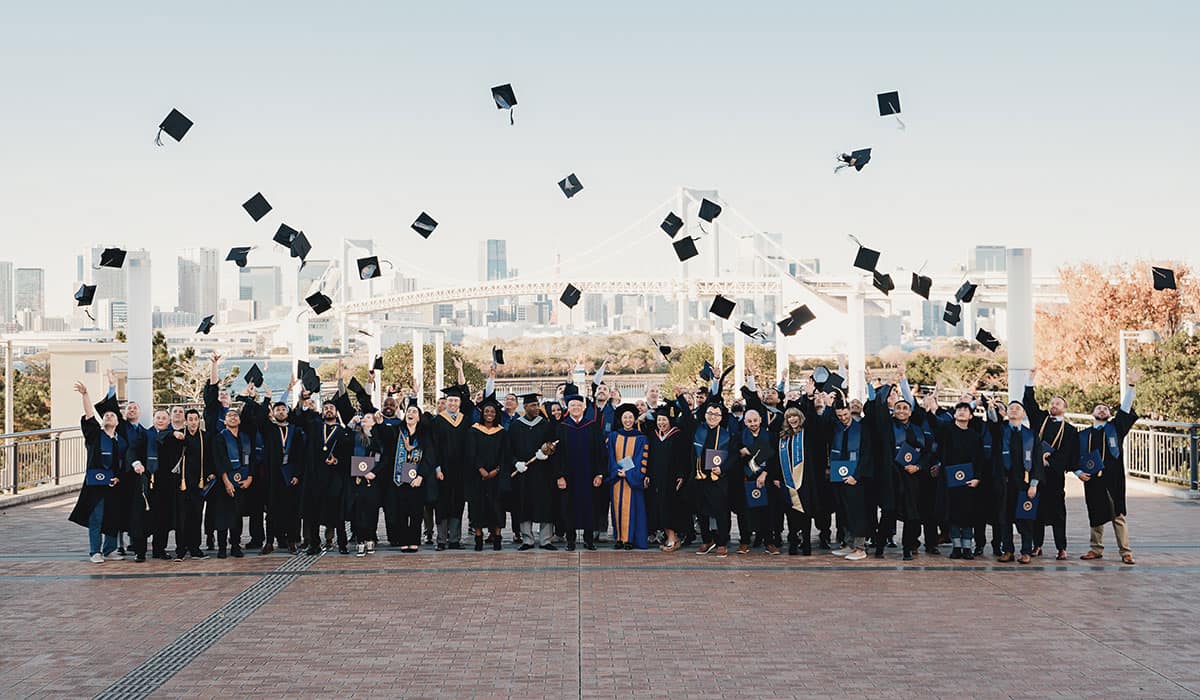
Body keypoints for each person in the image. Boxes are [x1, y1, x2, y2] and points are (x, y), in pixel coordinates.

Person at [1078, 370, 1140, 565]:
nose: (1102, 410)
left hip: (1113, 478)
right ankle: (1095, 549)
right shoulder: (1083, 435)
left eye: (1105, 408)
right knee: (1095, 513)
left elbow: (1125, 408)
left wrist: (1131, 386)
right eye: (1099, 408)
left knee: (1118, 514)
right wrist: (1079, 472)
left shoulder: (1116, 428)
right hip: (1092, 478)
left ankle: (1126, 552)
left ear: (1110, 414)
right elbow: (1074, 457)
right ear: (1092, 414)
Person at [677, 391, 741, 559]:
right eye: (709, 413)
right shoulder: (697, 429)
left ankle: (721, 543)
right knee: (701, 511)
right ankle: (707, 540)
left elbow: (734, 456)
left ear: (721, 417)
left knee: (721, 511)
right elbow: (687, 415)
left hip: (718, 479)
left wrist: (723, 469)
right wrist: (680, 398)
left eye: (716, 414)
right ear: (704, 414)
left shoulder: (727, 436)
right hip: (698, 478)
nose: (712, 417)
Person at [1023, 369, 1078, 560]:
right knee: (1036, 509)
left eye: (1058, 403)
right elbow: (1029, 404)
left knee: (1057, 512)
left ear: (1064, 408)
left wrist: (1050, 460)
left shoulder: (1070, 430)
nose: (1054, 405)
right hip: (1036, 473)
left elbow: (1068, 452)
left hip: (1054, 475)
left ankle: (1061, 547)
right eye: (1052, 403)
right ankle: (1036, 545)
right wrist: (1030, 380)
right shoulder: (1041, 420)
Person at [68, 382, 126, 563]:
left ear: (117, 422)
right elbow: (89, 415)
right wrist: (86, 396)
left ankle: (110, 549)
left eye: (112, 415)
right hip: (96, 485)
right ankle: (95, 551)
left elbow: (123, 463)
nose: (109, 416)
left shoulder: (121, 441)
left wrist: (119, 477)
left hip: (115, 485)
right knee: (96, 517)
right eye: (106, 415)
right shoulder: (95, 436)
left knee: (114, 516)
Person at [375, 398, 437, 552]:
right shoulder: (397, 432)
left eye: (414, 412)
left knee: (416, 512)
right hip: (399, 479)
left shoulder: (424, 435)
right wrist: (380, 423)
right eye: (408, 411)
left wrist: (421, 476)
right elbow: (383, 435)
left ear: (419, 417)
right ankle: (403, 540)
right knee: (401, 512)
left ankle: (414, 540)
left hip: (417, 480)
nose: (411, 414)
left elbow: (429, 457)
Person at [987, 401, 1044, 563]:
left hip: (1024, 482)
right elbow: (992, 422)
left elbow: (1037, 461)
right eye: (1010, 407)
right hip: (1004, 481)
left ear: (1024, 414)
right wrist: (991, 408)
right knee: (1004, 517)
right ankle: (1008, 550)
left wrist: (1034, 484)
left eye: (1017, 408)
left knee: (1025, 517)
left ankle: (1026, 551)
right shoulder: (1001, 431)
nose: (1013, 409)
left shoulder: (1031, 435)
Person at [127, 408, 186, 560]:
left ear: (169, 421)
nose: (160, 420)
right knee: (142, 518)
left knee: (163, 518)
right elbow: (131, 451)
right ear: (153, 420)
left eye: (164, 418)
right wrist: (136, 463)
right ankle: (140, 551)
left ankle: (159, 549)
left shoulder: (174, 438)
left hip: (166, 484)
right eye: (158, 417)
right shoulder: (145, 435)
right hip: (146, 482)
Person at [552, 390, 606, 551]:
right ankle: (571, 540)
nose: (575, 408)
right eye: (572, 405)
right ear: (568, 408)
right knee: (569, 507)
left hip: (589, 475)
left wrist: (600, 473)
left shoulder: (593, 426)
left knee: (589, 505)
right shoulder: (562, 427)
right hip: (569, 476)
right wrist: (559, 476)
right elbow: (557, 455)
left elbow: (601, 452)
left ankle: (589, 540)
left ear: (583, 408)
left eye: (578, 405)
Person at [934, 402, 988, 560]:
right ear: (955, 414)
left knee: (968, 515)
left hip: (969, 482)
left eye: (966, 410)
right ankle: (956, 547)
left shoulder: (975, 436)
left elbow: (980, 460)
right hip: (949, 480)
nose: (962, 412)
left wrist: (977, 477)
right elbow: (936, 424)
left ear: (971, 416)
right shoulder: (946, 431)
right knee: (953, 515)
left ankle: (967, 547)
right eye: (959, 410)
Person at [819, 398, 872, 560]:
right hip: (838, 475)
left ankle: (860, 548)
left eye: (845, 414)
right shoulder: (836, 429)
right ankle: (848, 544)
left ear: (850, 411)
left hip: (855, 478)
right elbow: (823, 425)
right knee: (843, 512)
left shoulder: (862, 429)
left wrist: (856, 476)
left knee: (857, 513)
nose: (843, 417)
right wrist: (828, 405)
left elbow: (866, 455)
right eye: (839, 415)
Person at [504, 394, 558, 550]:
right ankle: (527, 539)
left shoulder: (545, 425)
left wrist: (547, 454)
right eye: (532, 405)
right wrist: (516, 463)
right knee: (523, 504)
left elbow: (553, 445)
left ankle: (545, 539)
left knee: (545, 504)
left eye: (537, 404)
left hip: (542, 473)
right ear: (525, 407)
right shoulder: (515, 426)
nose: (536, 408)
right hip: (523, 473)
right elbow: (508, 450)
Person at [431, 358, 474, 550]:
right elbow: (433, 446)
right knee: (442, 505)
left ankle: (455, 539)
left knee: (457, 504)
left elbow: (465, 391)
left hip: (461, 470)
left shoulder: (465, 420)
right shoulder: (438, 421)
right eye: (450, 400)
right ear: (445, 403)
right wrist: (437, 468)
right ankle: (441, 540)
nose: (454, 403)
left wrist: (460, 370)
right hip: (443, 470)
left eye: (456, 400)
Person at [207, 407, 262, 558]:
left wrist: (250, 477)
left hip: (242, 482)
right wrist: (226, 482)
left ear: (239, 420)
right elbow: (219, 460)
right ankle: (222, 547)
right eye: (229, 416)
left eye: (235, 416)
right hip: (225, 484)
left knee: (237, 516)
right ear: (224, 421)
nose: (232, 418)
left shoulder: (245, 437)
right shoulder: (220, 438)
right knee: (223, 516)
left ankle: (236, 546)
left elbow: (250, 460)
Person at [261, 383, 306, 554]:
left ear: (287, 413)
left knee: (292, 510)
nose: (280, 412)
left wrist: (297, 474)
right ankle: (270, 541)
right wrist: (267, 398)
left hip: (290, 476)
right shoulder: (269, 429)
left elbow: (300, 455)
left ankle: (292, 540)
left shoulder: (294, 430)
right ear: (273, 413)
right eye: (277, 410)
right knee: (272, 510)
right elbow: (259, 418)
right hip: (273, 475)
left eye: (283, 409)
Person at [770, 407, 822, 555]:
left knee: (805, 512)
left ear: (800, 418)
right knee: (790, 513)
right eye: (789, 417)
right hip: (787, 481)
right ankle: (793, 542)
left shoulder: (808, 434)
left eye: (795, 416)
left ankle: (806, 543)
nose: (792, 419)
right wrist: (776, 477)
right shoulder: (782, 437)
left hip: (804, 480)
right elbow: (776, 460)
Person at [642, 407, 690, 552]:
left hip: (672, 479)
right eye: (659, 420)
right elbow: (650, 458)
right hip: (657, 478)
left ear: (670, 421)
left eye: (664, 420)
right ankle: (669, 537)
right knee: (659, 507)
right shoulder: (654, 436)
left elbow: (684, 457)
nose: (661, 423)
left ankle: (673, 538)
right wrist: (648, 474)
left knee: (671, 507)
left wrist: (681, 475)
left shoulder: (677, 436)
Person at [466, 399, 507, 551]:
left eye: (492, 412)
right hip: (478, 476)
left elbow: (505, 454)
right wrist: (480, 469)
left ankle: (497, 537)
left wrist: (497, 470)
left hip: (496, 476)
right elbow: (471, 452)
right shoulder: (473, 430)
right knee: (477, 506)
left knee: (497, 507)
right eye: (486, 411)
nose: (489, 414)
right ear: (482, 413)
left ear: (496, 414)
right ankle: (478, 537)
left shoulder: (502, 432)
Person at [607, 404, 649, 550]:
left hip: (632, 481)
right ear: (621, 419)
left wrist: (629, 473)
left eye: (630, 417)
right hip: (617, 479)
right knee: (617, 508)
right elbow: (610, 457)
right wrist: (617, 471)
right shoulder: (613, 436)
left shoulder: (641, 438)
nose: (628, 420)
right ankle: (619, 538)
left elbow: (640, 460)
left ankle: (629, 539)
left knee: (633, 509)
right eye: (625, 417)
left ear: (634, 418)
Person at [737, 408, 775, 554]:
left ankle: (769, 541)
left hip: (765, 478)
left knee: (767, 511)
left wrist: (765, 474)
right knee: (744, 512)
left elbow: (774, 458)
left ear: (760, 420)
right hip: (746, 479)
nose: (753, 423)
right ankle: (744, 541)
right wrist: (740, 453)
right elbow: (734, 456)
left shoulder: (770, 436)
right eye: (749, 421)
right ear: (745, 422)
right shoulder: (740, 437)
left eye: (755, 420)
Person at [175, 408, 209, 560]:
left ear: (199, 420)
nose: (193, 422)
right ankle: (181, 549)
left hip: (198, 483)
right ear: (186, 421)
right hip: (182, 484)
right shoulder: (179, 436)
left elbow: (210, 458)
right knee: (182, 517)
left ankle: (195, 548)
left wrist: (211, 473)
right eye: (190, 419)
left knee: (196, 516)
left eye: (196, 419)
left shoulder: (205, 437)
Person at [348, 413, 382, 556]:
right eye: (363, 418)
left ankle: (370, 538)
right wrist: (351, 423)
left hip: (373, 478)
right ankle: (360, 540)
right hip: (357, 478)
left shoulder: (378, 438)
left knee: (371, 510)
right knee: (358, 510)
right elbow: (346, 448)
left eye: (368, 418)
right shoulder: (355, 437)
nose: (364, 419)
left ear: (373, 422)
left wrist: (374, 472)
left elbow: (382, 457)